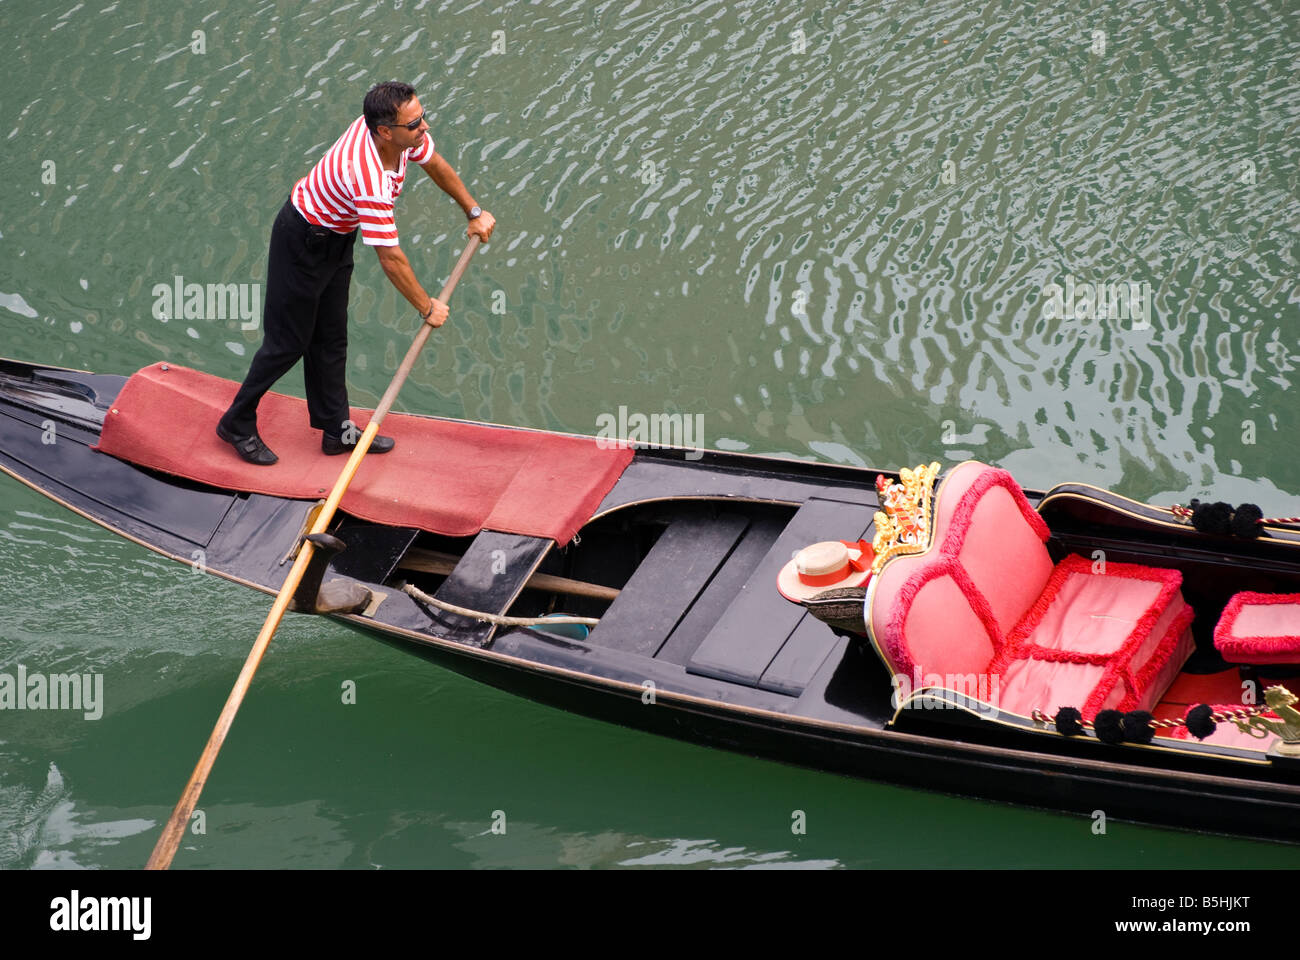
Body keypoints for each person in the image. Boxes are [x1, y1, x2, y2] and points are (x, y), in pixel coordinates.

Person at [216, 81, 496, 464]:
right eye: (415, 124)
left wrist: (473, 212)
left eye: (423, 117)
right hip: (301, 239)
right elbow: (390, 257)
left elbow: (435, 163)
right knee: (288, 343)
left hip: (336, 238)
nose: (425, 128)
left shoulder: (401, 138)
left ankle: (335, 430)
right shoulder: (369, 177)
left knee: (331, 339)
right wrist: (426, 307)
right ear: (385, 131)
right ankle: (236, 421)